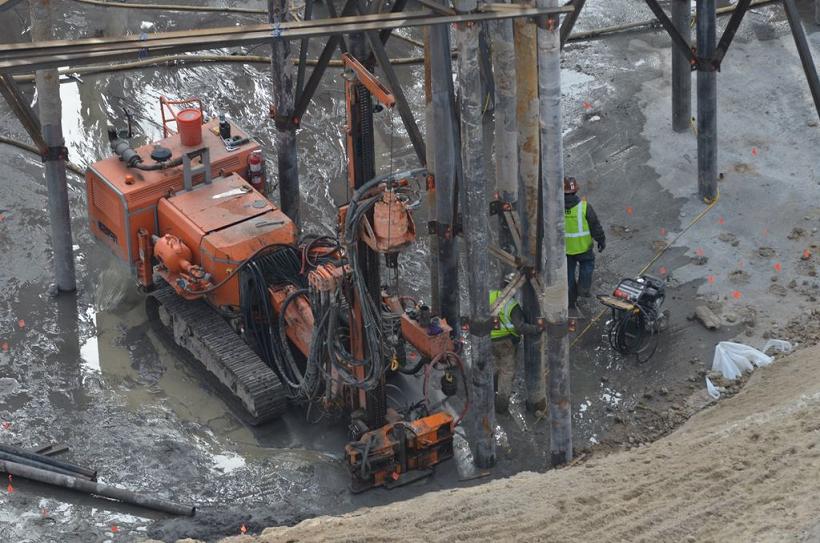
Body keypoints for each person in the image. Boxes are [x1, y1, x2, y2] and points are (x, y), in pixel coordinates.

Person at [490, 276, 543, 414]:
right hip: (506, 343)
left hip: (489, 340)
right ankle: (501, 406)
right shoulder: (512, 306)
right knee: (506, 373)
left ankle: (491, 390)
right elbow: (520, 327)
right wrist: (536, 329)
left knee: (496, 365)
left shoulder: (490, 295)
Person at [564, 176, 606, 309]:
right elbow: (595, 225)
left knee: (568, 274)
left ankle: (571, 298)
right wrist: (601, 240)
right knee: (587, 266)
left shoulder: (555, 209)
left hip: (566, 250)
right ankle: (583, 289)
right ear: (575, 191)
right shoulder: (584, 206)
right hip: (584, 248)